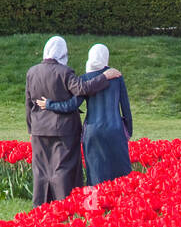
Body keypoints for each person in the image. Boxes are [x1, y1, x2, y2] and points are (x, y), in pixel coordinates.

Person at [26, 36, 122, 208]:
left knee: (40, 170)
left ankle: (41, 206)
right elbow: (82, 89)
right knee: (63, 168)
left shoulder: (32, 72)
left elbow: (29, 103)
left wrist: (31, 128)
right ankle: (65, 205)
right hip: (63, 129)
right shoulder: (65, 72)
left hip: (39, 128)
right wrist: (104, 77)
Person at [35, 43, 133, 186]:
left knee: (95, 176)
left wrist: (49, 104)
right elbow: (126, 108)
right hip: (115, 130)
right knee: (122, 175)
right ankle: (124, 206)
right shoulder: (116, 77)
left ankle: (95, 206)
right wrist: (128, 130)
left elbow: (71, 105)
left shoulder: (85, 79)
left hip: (93, 132)